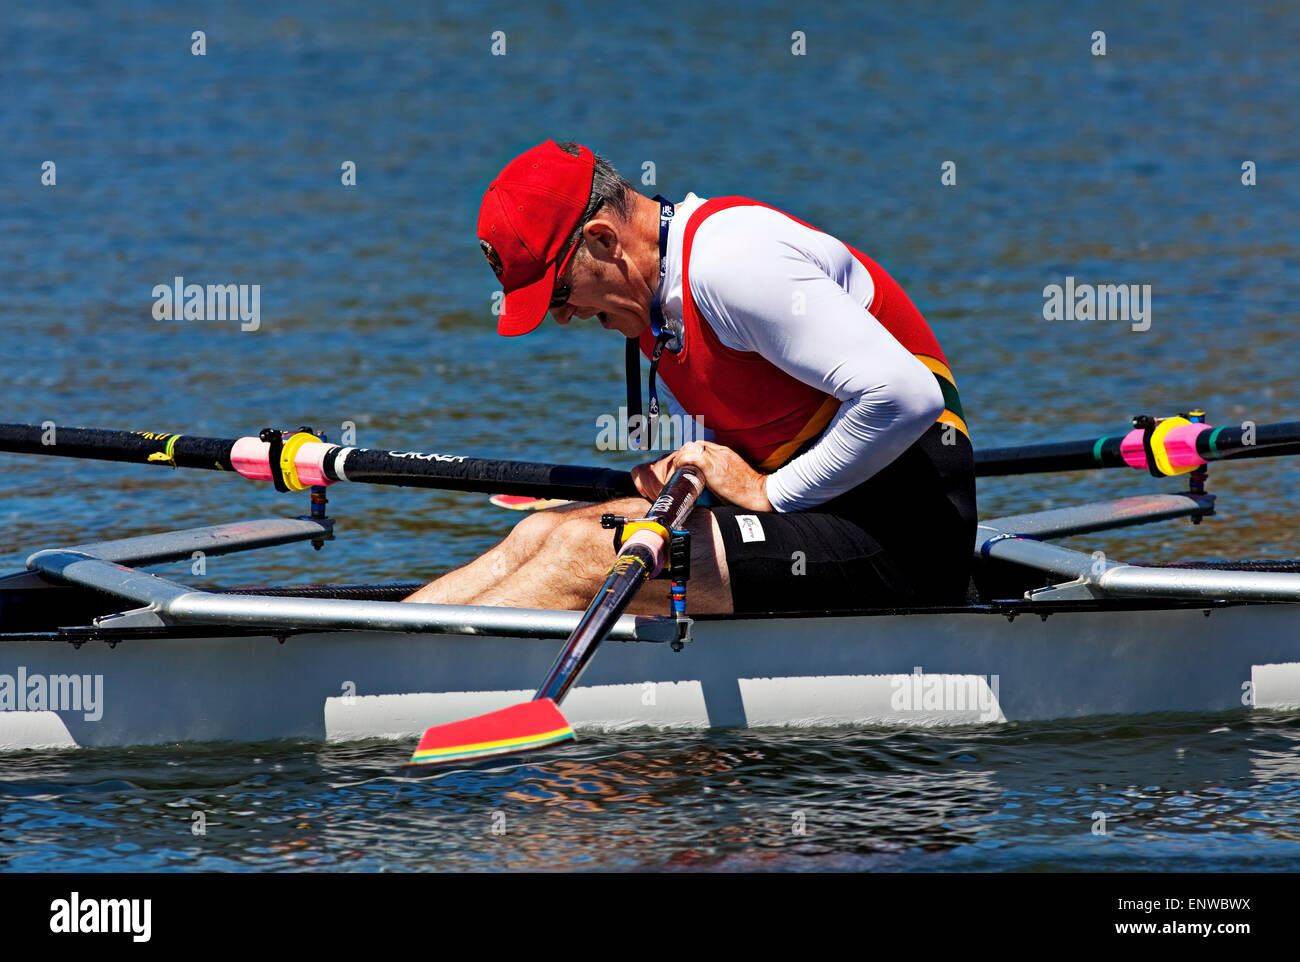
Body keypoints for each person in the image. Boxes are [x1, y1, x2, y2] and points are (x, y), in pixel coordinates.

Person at [404, 140, 976, 615]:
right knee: (538, 536)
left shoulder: (734, 265)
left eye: (556, 291)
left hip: (904, 531)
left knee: (580, 554)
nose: (560, 316)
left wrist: (765, 492)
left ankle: (407, 688)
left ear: (603, 240)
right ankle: (382, 642)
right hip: (819, 512)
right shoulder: (656, 301)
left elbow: (906, 395)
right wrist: (684, 466)